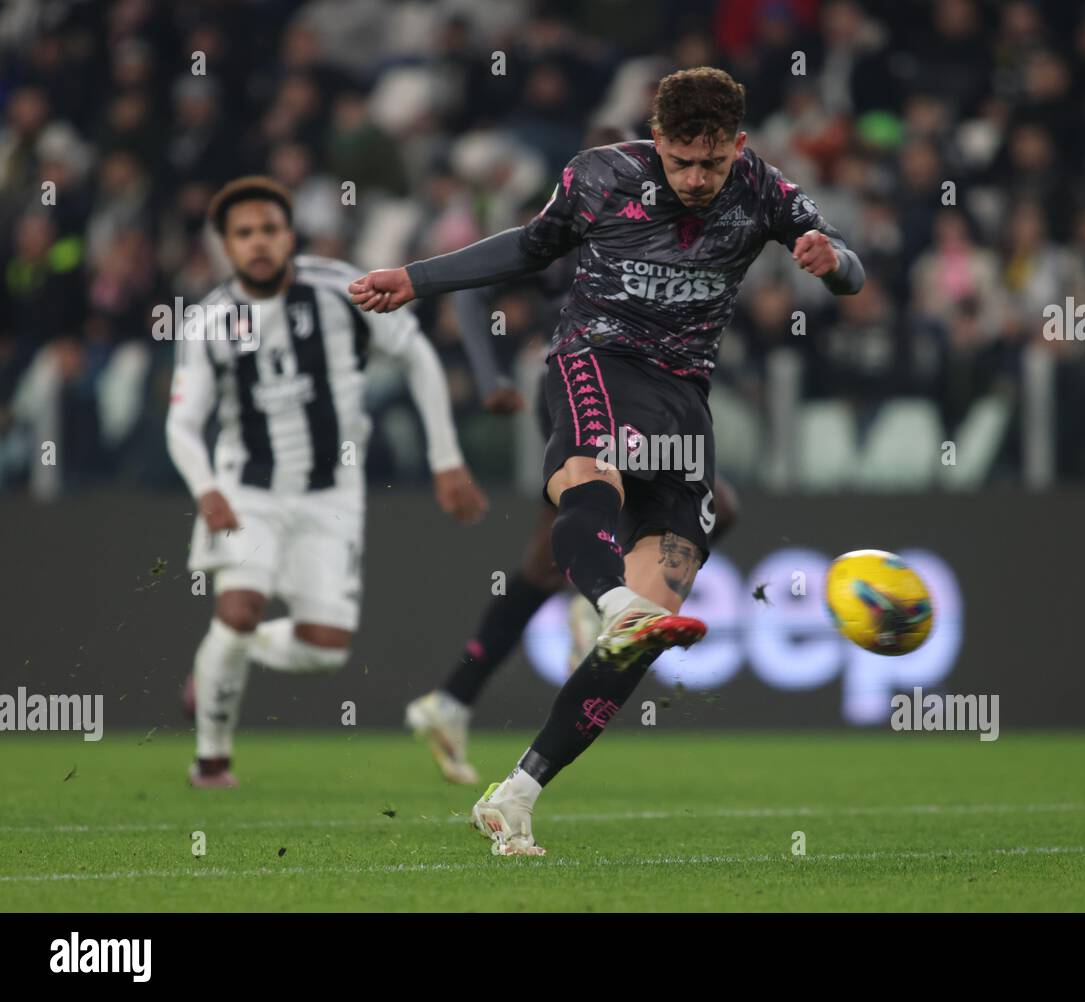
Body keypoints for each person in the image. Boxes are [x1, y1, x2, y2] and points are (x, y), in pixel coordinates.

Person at [351, 68, 864, 854]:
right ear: (656, 141)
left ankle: (515, 795)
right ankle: (606, 600)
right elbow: (526, 247)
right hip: (593, 357)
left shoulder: (766, 191)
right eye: (683, 160)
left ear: (740, 147)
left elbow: (853, 274)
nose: (698, 178)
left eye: (713, 163)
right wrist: (414, 279)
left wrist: (834, 267)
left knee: (647, 632)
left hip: (684, 400)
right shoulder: (598, 175)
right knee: (591, 481)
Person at [404, 128, 741, 786]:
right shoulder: (586, 214)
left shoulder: (669, 229)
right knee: (683, 501)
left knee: (542, 560)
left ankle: (451, 698)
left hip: (635, 390)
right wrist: (490, 376)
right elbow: (478, 288)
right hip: (581, 383)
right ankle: (593, 608)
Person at [167, 176, 486, 788]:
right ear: (225, 246)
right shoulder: (209, 320)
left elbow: (417, 355)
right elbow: (182, 421)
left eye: (269, 229)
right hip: (246, 489)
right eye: (244, 233)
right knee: (239, 606)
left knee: (324, 650)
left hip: (333, 492)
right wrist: (206, 487)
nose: (258, 242)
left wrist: (446, 458)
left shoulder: (340, 289)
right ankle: (211, 761)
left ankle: (216, 665)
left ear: (290, 234)